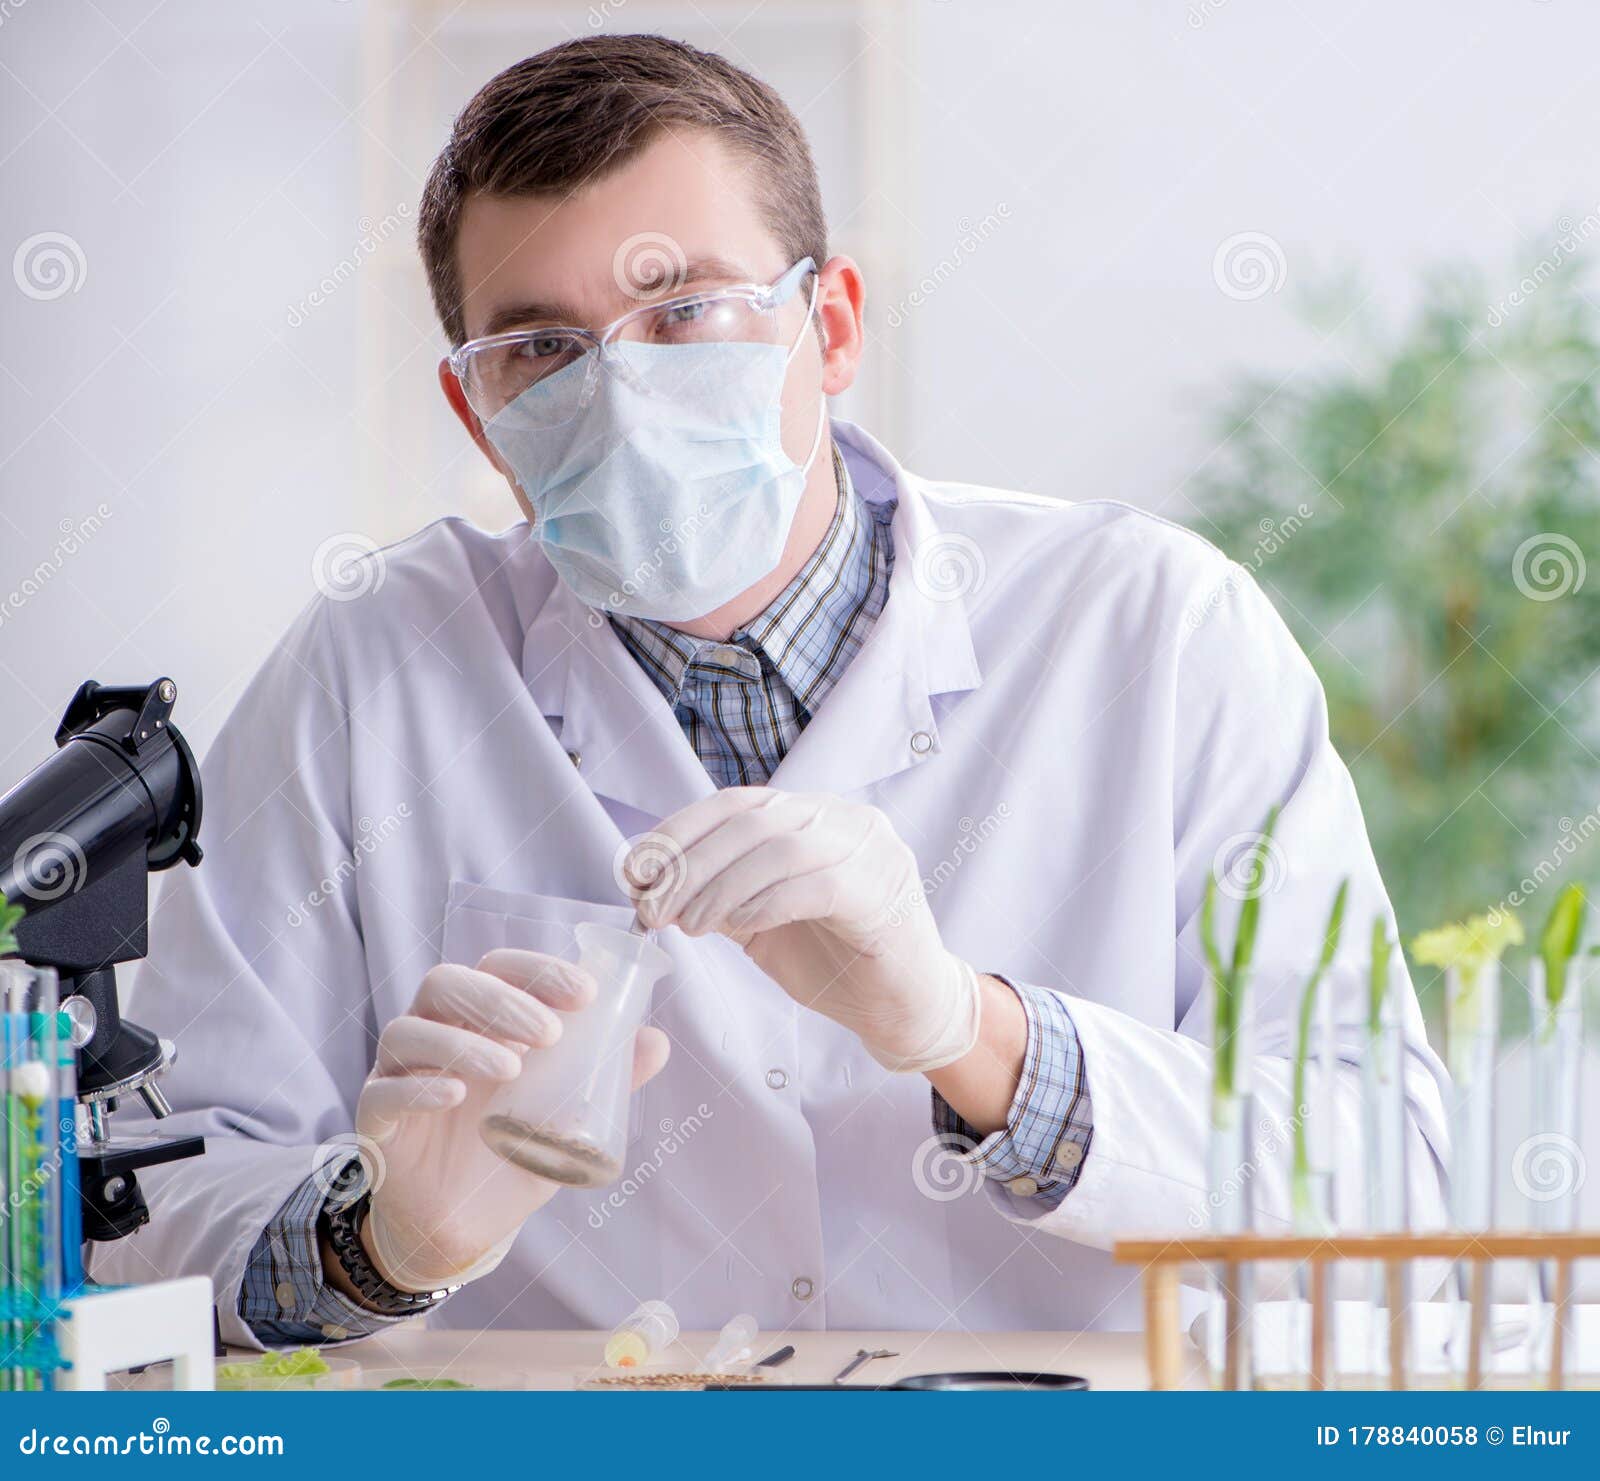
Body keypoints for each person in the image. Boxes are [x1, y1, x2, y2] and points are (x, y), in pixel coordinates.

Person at [93, 35, 1447, 1347]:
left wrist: (970, 1032)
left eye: (684, 310)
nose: (621, 393)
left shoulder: (1154, 628)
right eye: (543, 348)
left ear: (831, 325)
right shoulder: (377, 659)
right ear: (477, 414)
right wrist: (379, 1243)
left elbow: (1388, 1187)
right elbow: (145, 1194)